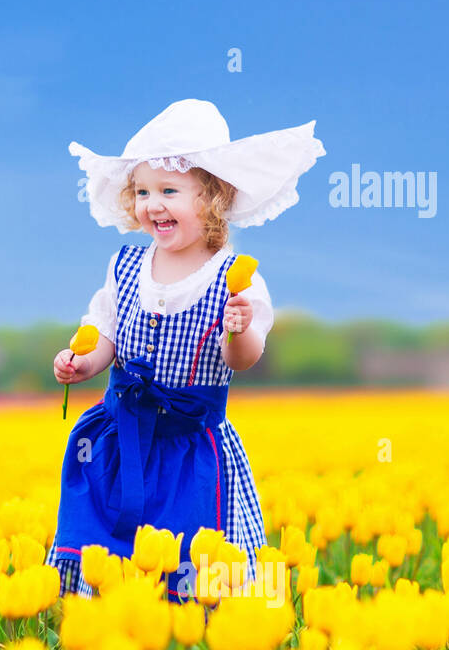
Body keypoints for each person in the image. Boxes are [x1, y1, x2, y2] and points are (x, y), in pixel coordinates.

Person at [47, 99, 324, 600]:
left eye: (169, 190)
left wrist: (239, 331)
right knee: (111, 546)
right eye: (144, 191)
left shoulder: (234, 278)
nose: (153, 204)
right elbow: (104, 333)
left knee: (193, 554)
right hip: (119, 436)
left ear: (212, 197)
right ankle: (105, 615)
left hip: (190, 445)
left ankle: (191, 629)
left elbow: (245, 358)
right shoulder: (125, 266)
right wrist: (81, 363)